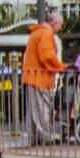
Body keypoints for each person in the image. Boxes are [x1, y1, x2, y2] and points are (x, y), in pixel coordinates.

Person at [22, 12, 67, 144]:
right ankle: (46, 137)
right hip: (40, 78)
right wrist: (61, 66)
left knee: (33, 111)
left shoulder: (36, 33)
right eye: (60, 25)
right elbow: (47, 56)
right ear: (54, 23)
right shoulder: (46, 34)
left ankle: (34, 138)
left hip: (31, 76)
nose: (60, 29)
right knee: (42, 109)